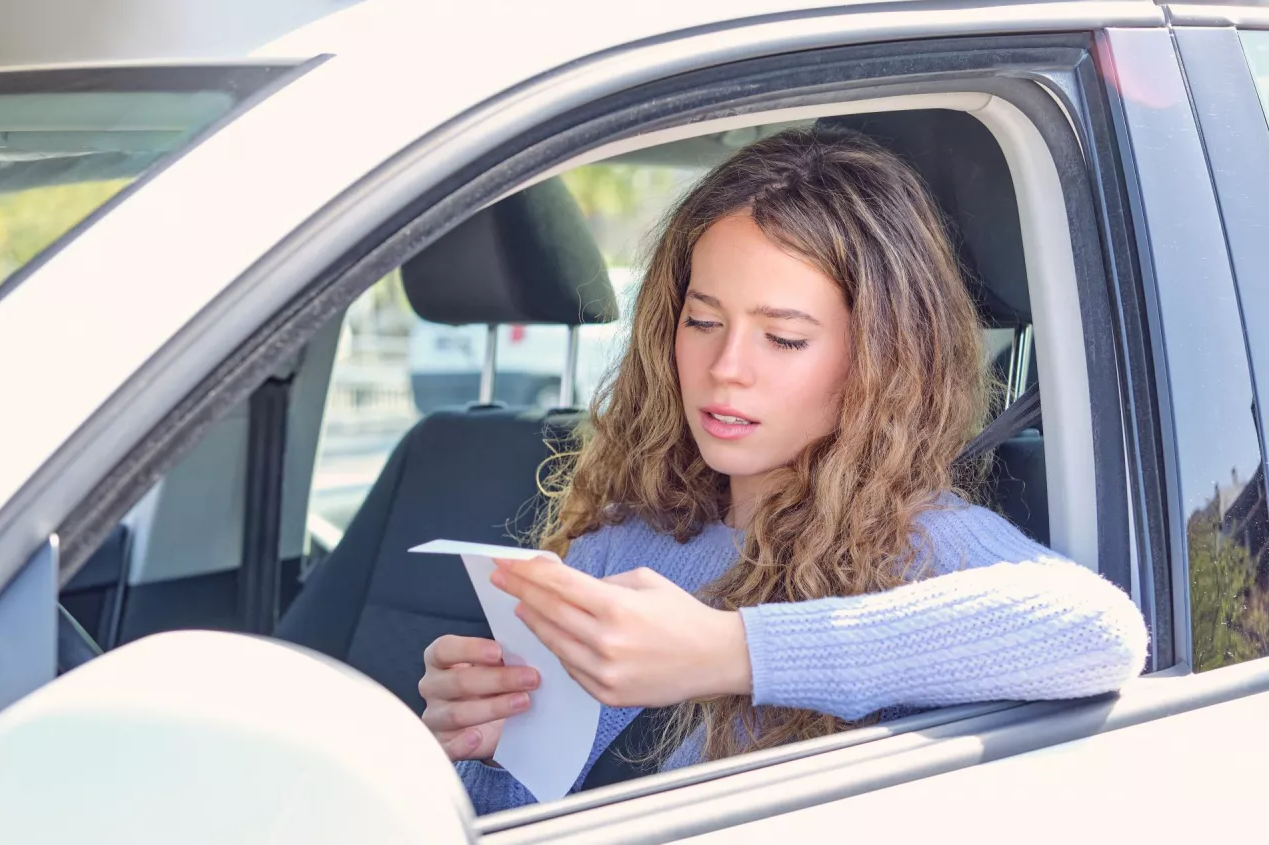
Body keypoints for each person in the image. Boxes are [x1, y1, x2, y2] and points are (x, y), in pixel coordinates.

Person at [417, 126, 1149, 815]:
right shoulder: (624, 542)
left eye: (784, 337)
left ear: (877, 357)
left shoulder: (923, 543)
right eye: (702, 322)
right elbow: (520, 812)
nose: (726, 369)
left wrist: (731, 651)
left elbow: (1099, 630)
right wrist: (478, 744)